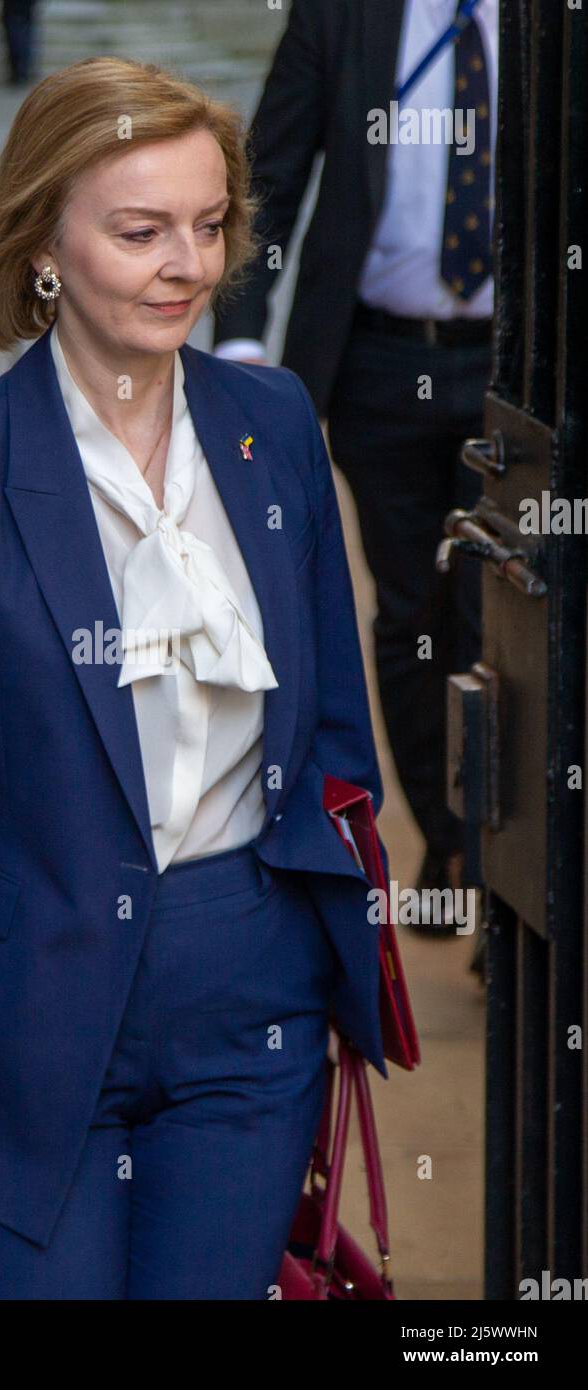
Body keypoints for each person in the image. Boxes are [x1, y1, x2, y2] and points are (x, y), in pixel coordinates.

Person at [0, 56, 390, 1301]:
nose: (185, 265)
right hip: (22, 1010)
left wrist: (337, 946)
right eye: (139, 231)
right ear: (42, 242)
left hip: (249, 993)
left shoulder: (278, 424)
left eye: (208, 227)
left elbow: (334, 733)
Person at [213, 0, 495, 929]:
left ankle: (499, 860)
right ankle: (448, 835)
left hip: (513, 370)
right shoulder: (340, 15)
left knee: (502, 614)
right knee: (411, 608)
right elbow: (268, 180)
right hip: (376, 366)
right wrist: (244, 342)